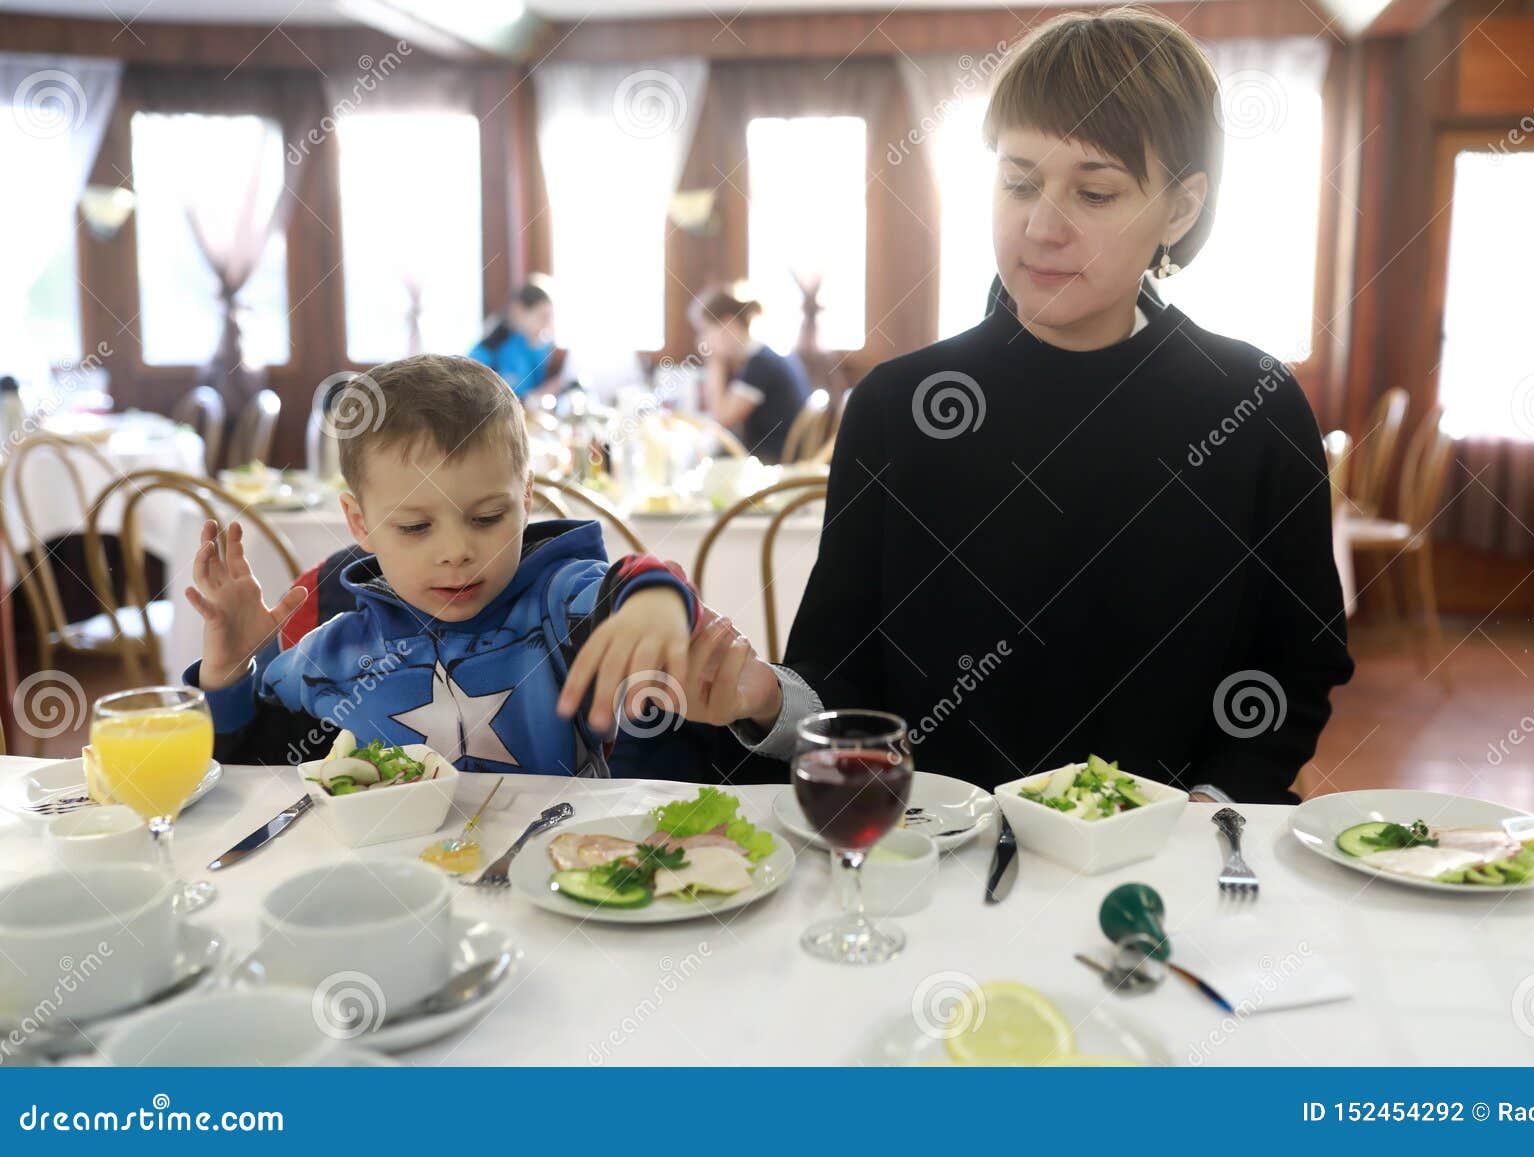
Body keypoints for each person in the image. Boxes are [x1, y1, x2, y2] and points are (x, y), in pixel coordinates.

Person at [672, 8, 1354, 804]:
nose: (1040, 227)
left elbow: (1298, 661)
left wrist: (1217, 804)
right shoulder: (899, 406)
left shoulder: (1254, 406)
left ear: (1179, 208)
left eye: (1094, 192)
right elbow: (840, 681)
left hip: (1174, 864)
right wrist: (761, 699)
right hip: (947, 861)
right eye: (1018, 180)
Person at [182, 354, 698, 775]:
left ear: (525, 499)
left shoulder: (557, 604)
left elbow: (622, 586)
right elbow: (246, 770)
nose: (456, 551)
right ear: (359, 524)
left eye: (488, 517)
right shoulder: (332, 652)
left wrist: (655, 598)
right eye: (415, 527)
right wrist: (230, 675)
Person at [691, 289, 808, 464]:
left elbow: (722, 418)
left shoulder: (761, 364)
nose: (701, 342)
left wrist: (715, 362)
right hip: (775, 453)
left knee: (704, 460)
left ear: (727, 325)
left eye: (705, 330)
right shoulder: (762, 356)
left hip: (773, 459)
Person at [469, 278, 562, 400]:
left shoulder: (540, 349)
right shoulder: (489, 349)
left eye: (549, 318)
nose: (547, 326)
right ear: (519, 310)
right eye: (542, 317)